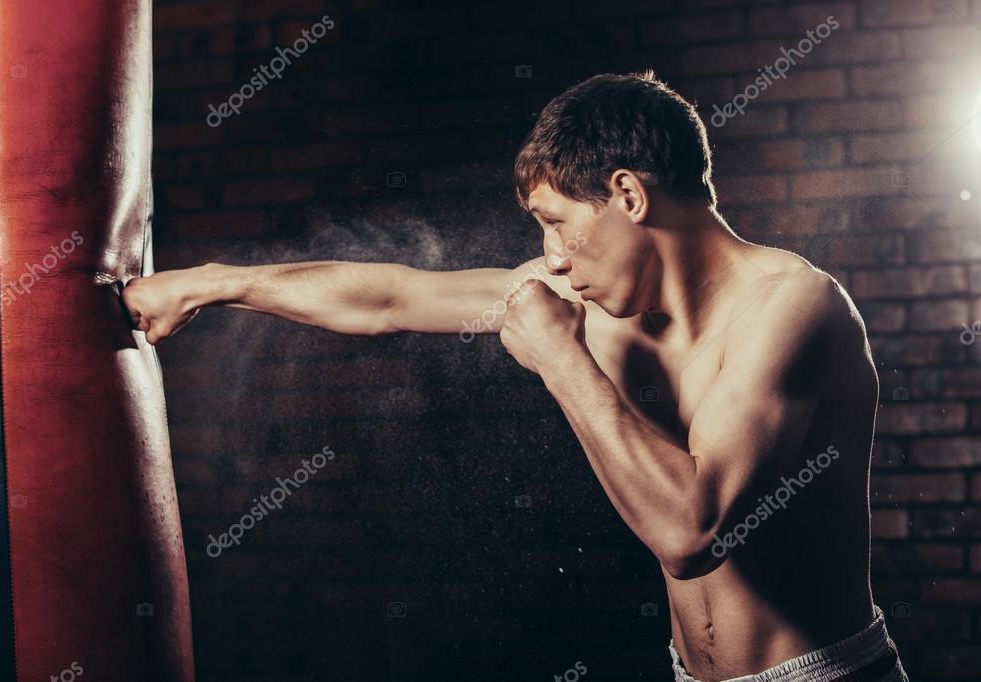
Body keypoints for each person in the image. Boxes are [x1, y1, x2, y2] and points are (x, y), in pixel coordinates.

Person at [123, 71, 908, 682]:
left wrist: (561, 358)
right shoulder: (596, 301)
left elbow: (691, 534)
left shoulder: (790, 306)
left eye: (556, 223)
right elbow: (392, 298)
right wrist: (215, 282)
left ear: (627, 194)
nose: (552, 259)